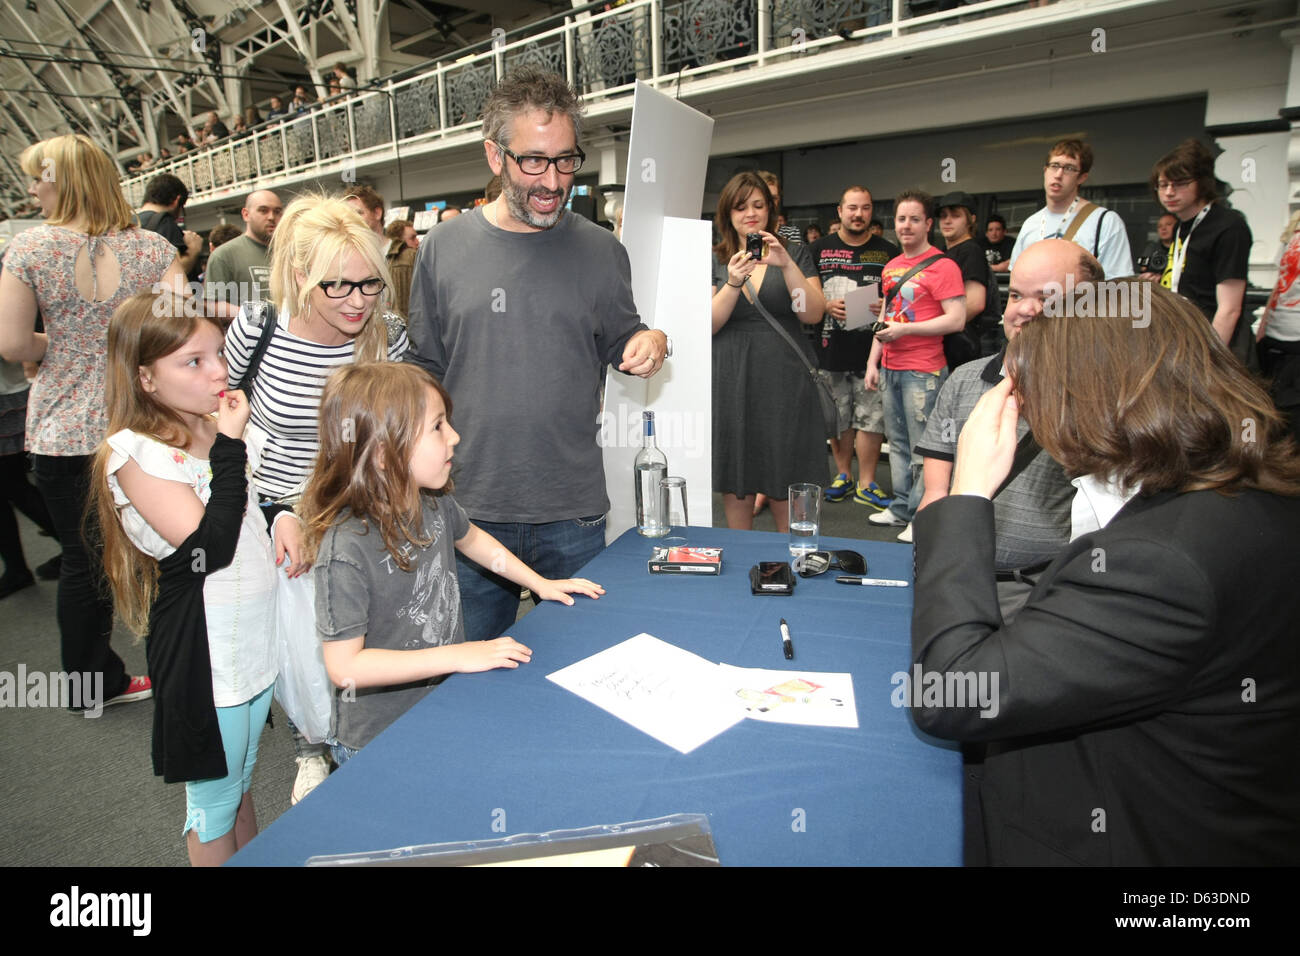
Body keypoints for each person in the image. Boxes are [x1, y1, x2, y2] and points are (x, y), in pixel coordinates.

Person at [912, 281, 1300, 865]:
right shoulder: (1245, 498)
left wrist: (966, 494)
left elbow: (952, 694)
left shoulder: (1159, 563)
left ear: (1085, 399)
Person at [405, 66, 666, 644]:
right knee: (468, 677)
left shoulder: (601, 251)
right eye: (533, 161)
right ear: (494, 157)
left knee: (586, 672)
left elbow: (626, 337)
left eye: (566, 160)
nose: (553, 180)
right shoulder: (443, 249)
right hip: (467, 507)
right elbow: (424, 371)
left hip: (570, 508)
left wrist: (652, 342)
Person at [300, 362, 603, 763]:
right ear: (384, 453)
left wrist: (540, 582)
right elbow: (345, 667)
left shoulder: (434, 502)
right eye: (438, 427)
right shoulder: (345, 550)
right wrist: (458, 655)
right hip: (377, 742)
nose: (455, 437)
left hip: (438, 708)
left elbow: (474, 540)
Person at [223, 192, 407, 803]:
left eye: (369, 284)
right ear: (301, 277)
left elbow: (399, 433)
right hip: (280, 512)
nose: (357, 301)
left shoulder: (386, 337)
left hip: (361, 512)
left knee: (367, 639)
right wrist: (277, 513)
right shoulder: (260, 329)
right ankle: (312, 745)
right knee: (304, 646)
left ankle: (363, 744)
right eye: (338, 287)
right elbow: (224, 426)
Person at [90, 293, 280, 866]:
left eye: (217, 353)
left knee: (241, 781)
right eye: (192, 362)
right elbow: (208, 546)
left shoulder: (214, 429)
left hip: (252, 644)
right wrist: (229, 444)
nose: (219, 370)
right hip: (207, 655)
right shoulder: (134, 453)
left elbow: (256, 507)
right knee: (213, 805)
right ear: (146, 378)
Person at [0, 133, 185, 708]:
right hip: (143, 427)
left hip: (64, 432)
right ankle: (183, 665)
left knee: (83, 563)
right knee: (165, 550)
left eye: (40, 177)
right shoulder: (153, 250)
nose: (32, 187)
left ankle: (89, 682)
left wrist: (64, 341)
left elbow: (9, 342)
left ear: (65, 180)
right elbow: (178, 331)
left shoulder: (30, 248)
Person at [917, 238, 1098, 619]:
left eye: (1048, 297)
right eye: (1016, 295)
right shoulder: (965, 381)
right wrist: (927, 570)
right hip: (956, 582)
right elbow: (935, 492)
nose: (1025, 310)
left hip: (1049, 595)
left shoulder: (1103, 398)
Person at [711, 171, 827, 531]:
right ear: (727, 214)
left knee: (786, 476)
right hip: (733, 377)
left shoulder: (795, 254)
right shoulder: (716, 258)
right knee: (737, 481)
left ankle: (795, 562)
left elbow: (812, 312)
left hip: (785, 379)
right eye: (741, 206)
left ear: (771, 211)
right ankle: (738, 571)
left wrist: (786, 265)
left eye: (759, 205)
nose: (751, 213)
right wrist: (732, 282)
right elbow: (708, 324)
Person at [865, 190, 966, 543]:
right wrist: (872, 361)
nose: (906, 226)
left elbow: (956, 319)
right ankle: (902, 507)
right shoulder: (891, 266)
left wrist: (906, 330)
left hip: (923, 370)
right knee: (897, 444)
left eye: (914, 219)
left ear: (928, 224)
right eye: (901, 219)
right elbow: (883, 315)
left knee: (926, 447)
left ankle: (923, 515)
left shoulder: (944, 266)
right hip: (891, 367)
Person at [810, 185, 895, 510]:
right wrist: (826, 305)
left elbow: (897, 296)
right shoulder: (819, 249)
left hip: (872, 352)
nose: (858, 214)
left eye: (865, 208)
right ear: (840, 211)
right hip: (830, 350)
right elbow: (803, 295)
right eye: (852, 208)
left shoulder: (888, 251)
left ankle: (867, 481)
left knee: (871, 419)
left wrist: (883, 307)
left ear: (871, 212)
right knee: (838, 418)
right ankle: (843, 475)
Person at [1150, 139, 1253, 361]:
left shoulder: (1229, 226)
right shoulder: (1179, 226)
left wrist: (1210, 361)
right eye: (1163, 184)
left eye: (1180, 183)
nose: (1169, 192)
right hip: (1181, 340)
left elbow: (1230, 309)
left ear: (1202, 183)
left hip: (1216, 347)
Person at [1009, 138, 1133, 279]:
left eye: (1069, 168)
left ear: (1082, 177)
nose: (1058, 175)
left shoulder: (1105, 222)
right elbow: (1016, 279)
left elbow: (1119, 285)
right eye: (1054, 165)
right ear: (1045, 171)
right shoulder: (1031, 224)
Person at [936, 190, 1001, 365]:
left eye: (955, 215)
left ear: (971, 219)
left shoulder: (970, 250)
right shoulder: (943, 252)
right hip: (946, 344)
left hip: (961, 346)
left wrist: (931, 329)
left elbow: (975, 303)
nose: (947, 220)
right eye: (943, 216)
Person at [203, 189, 283, 320]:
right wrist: (262, 318)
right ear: (246, 214)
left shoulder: (289, 254)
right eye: (263, 210)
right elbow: (213, 306)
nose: (271, 217)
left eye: (277, 211)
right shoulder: (224, 255)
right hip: (250, 338)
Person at [1258, 209, 1300, 441]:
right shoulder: (1295, 225)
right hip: (1276, 336)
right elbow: (1280, 283)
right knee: (1277, 417)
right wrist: (1264, 324)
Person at [137, 173, 203, 280]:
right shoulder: (164, 222)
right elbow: (176, 272)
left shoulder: (129, 223)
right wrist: (193, 249)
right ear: (177, 200)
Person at [383, 219, 418, 319]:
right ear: (398, 240)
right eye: (412, 238)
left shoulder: (389, 258)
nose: (417, 242)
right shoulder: (412, 255)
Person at [1137, 212, 1176, 276]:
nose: (1163, 228)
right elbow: (1142, 270)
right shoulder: (1150, 248)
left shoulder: (1184, 247)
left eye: (1168, 224)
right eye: (1159, 226)